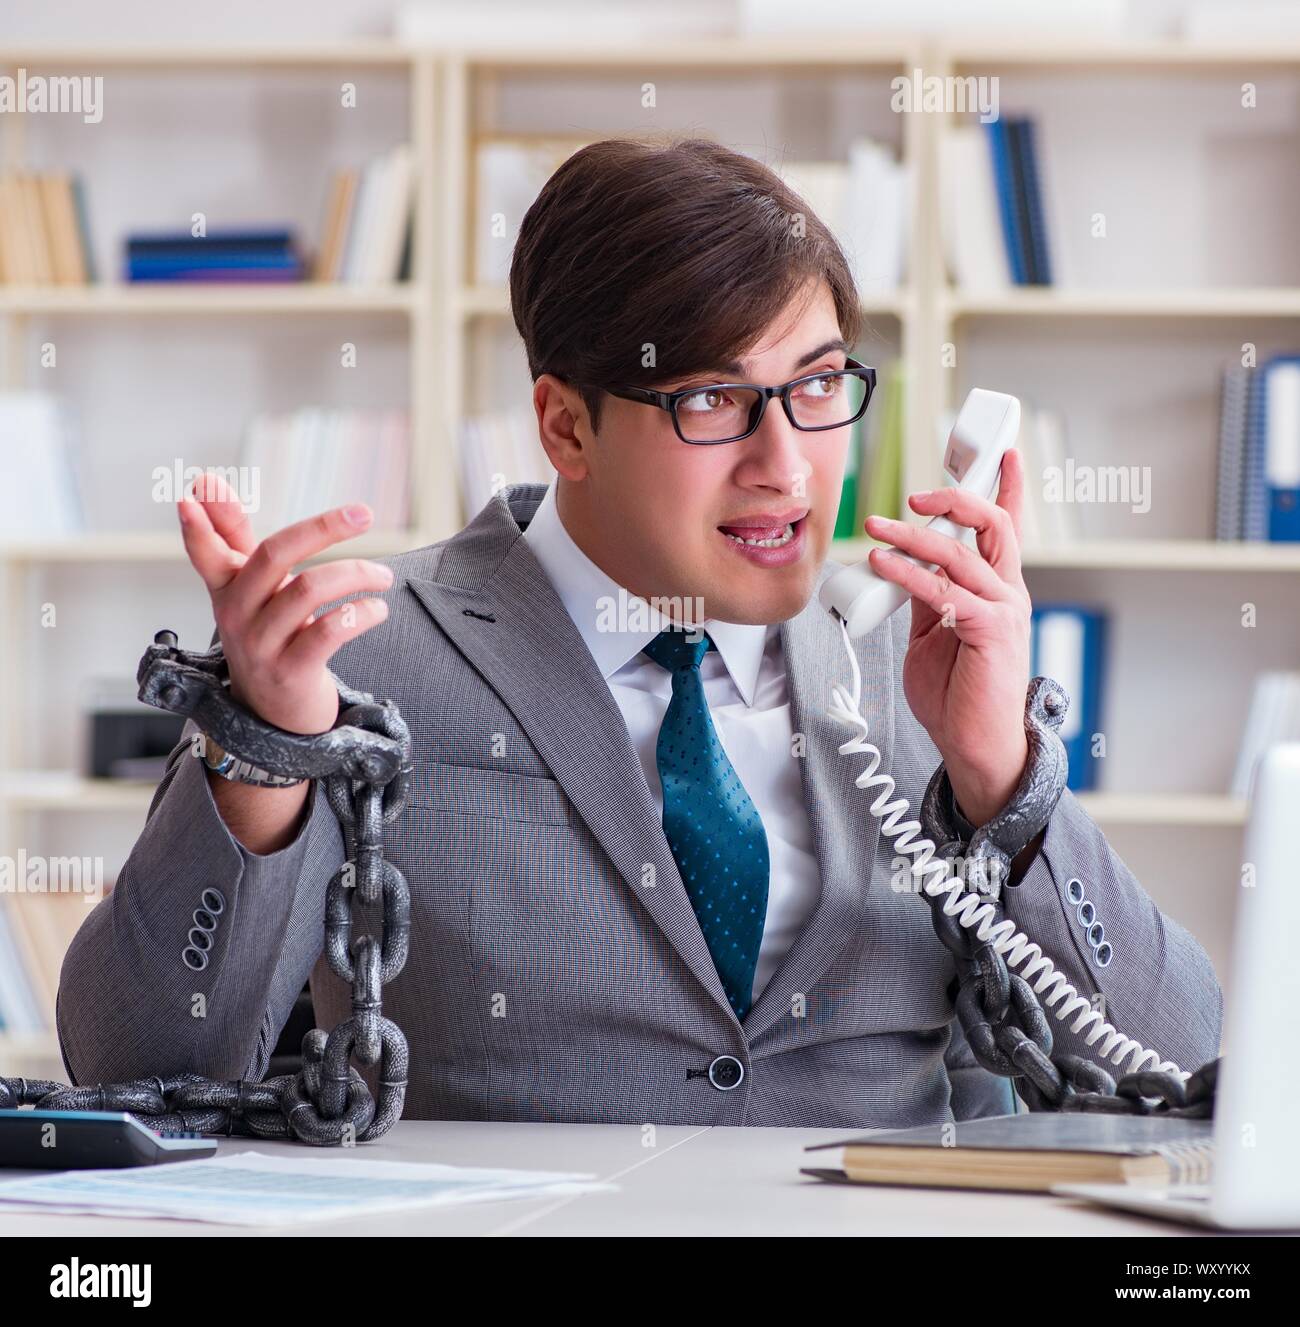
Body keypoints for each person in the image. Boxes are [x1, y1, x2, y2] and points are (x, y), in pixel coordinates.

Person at [58, 137, 1221, 1127]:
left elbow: (1190, 1066)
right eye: (711, 399)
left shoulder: (915, 660)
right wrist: (265, 754)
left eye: (818, 387)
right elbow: (137, 1067)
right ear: (566, 425)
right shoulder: (354, 657)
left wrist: (1002, 780)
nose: (786, 467)